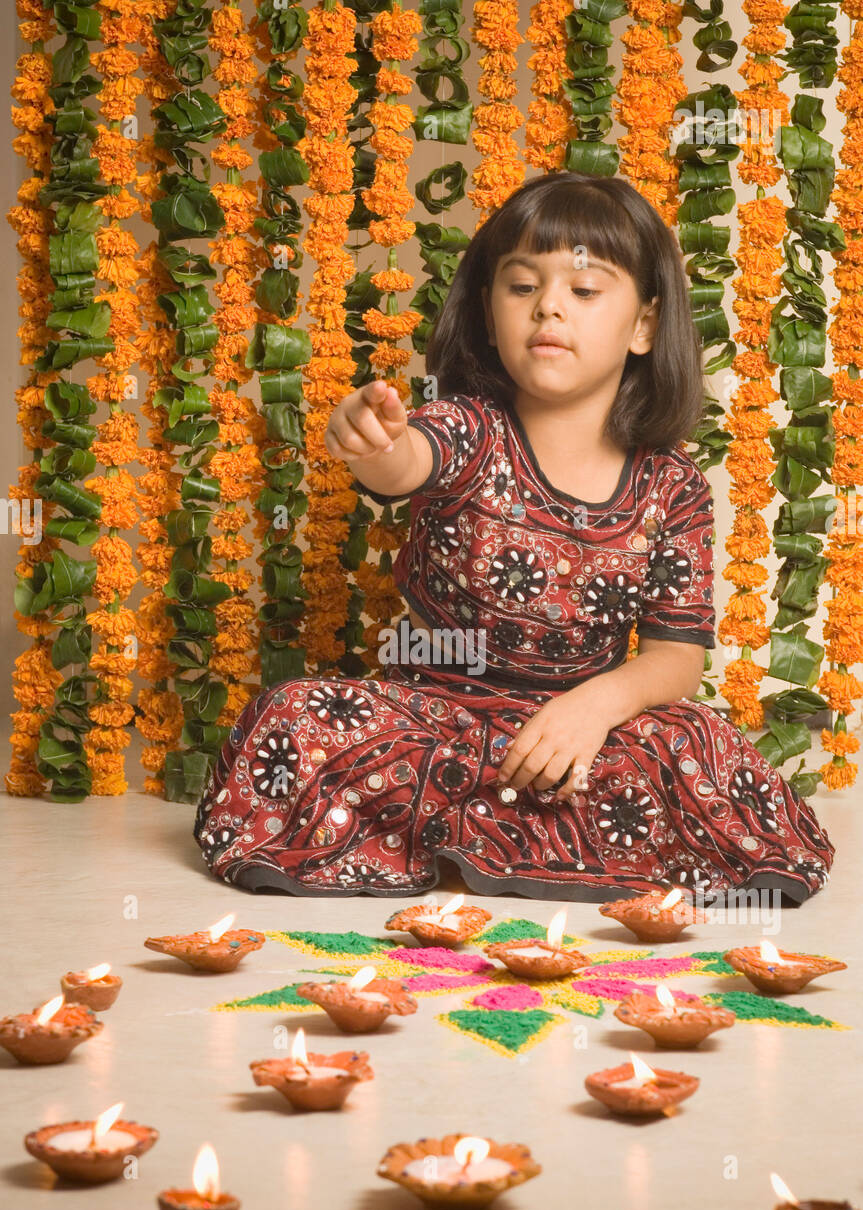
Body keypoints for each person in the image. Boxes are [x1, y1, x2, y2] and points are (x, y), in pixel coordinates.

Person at [194, 171, 834, 904]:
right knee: (293, 712)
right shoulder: (467, 427)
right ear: (488, 311)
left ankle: (475, 836)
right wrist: (372, 445)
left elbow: (675, 661)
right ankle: (480, 836)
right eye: (521, 287)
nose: (549, 307)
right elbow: (406, 460)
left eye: (584, 291)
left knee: (698, 743)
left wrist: (590, 710)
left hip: (581, 738)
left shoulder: (671, 485)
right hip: (435, 721)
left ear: (644, 326)